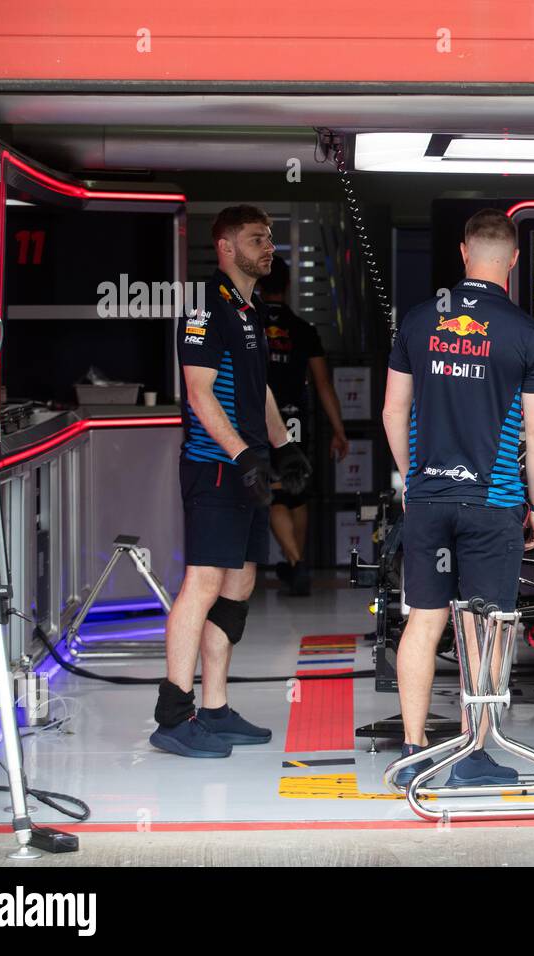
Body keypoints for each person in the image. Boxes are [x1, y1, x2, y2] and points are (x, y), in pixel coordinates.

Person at [380, 208, 534, 787]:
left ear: (463, 253)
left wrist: (413, 481)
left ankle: (412, 752)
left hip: (428, 499)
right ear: (512, 263)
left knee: (423, 622)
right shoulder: (528, 334)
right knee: (482, 627)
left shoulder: (418, 320)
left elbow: (390, 411)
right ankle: (472, 756)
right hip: (493, 501)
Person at [150, 205, 311, 758]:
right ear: (225, 246)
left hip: (250, 468)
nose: (268, 247)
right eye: (256, 238)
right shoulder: (205, 307)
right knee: (203, 583)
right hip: (215, 466)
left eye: (269, 238)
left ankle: (214, 707)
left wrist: (284, 446)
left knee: (240, 587)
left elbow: (259, 389)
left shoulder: (251, 309)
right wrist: (243, 453)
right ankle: (174, 713)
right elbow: (198, 392)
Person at [258, 254, 350, 597]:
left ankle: (296, 563)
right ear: (288, 286)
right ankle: (299, 565)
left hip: (259, 417)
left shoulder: (250, 323)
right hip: (295, 417)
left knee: (274, 493)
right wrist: (338, 429)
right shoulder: (303, 329)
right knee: (297, 492)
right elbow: (323, 383)